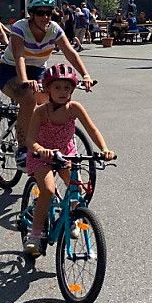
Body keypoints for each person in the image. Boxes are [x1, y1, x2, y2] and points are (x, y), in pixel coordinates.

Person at [0, 0, 93, 167]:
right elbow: (19, 57)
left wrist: (85, 75)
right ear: (31, 14)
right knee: (29, 99)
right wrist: (24, 80)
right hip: (10, 69)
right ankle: (23, 149)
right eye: (40, 13)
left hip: (37, 69)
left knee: (50, 102)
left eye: (49, 13)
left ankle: (41, 138)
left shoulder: (54, 29)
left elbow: (70, 52)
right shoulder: (20, 28)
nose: (45, 17)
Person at [23, 63, 114, 255]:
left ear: (73, 89)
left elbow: (92, 130)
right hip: (42, 156)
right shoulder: (40, 111)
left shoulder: (74, 108)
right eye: (57, 87)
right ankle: (35, 234)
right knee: (47, 190)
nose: (62, 92)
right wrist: (41, 149)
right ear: (48, 89)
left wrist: (104, 149)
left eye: (67, 87)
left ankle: (71, 218)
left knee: (77, 190)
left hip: (66, 154)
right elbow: (29, 139)